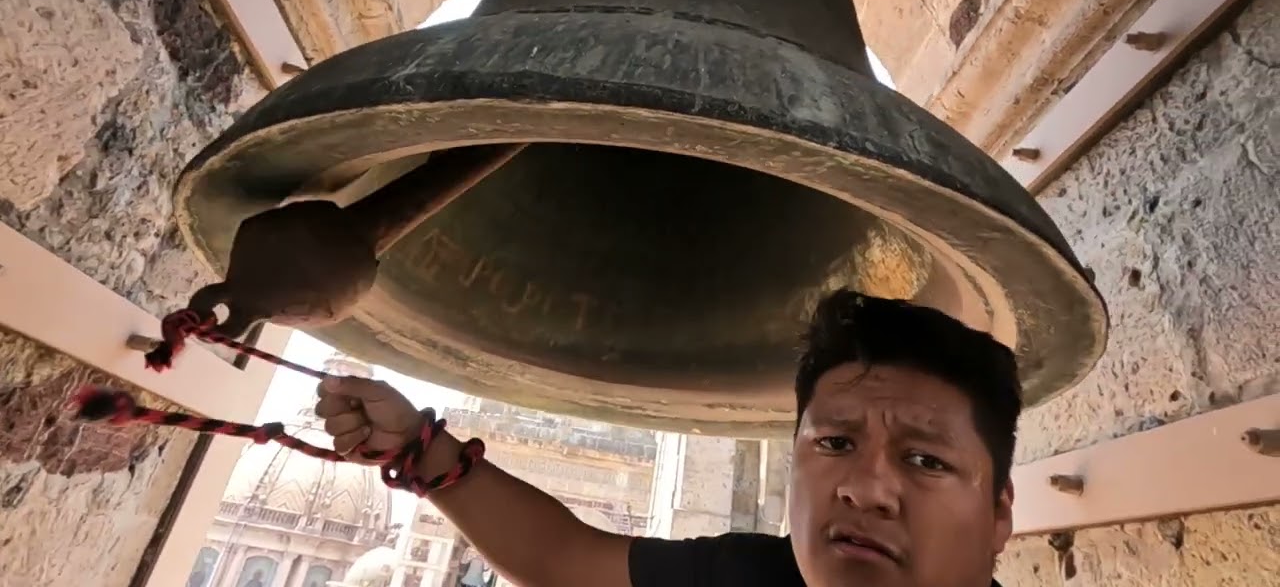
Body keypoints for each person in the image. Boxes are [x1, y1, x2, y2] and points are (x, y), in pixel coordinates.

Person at [315, 289, 1021, 587]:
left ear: (999, 516)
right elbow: (563, 559)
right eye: (835, 444)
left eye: (925, 460)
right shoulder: (751, 578)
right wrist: (418, 448)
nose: (863, 489)